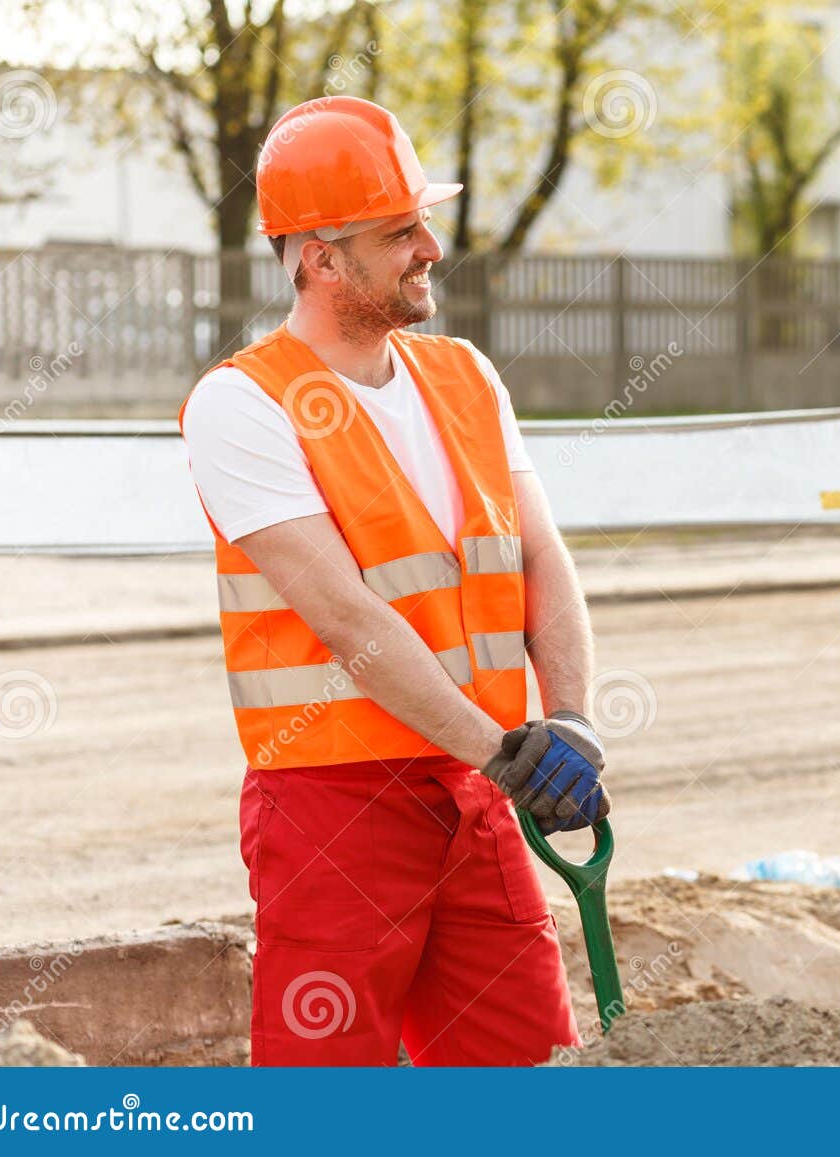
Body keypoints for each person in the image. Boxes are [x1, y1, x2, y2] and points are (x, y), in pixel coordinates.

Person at [180, 95, 609, 1065]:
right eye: (399, 230)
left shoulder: (464, 377)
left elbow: (542, 556)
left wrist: (569, 719)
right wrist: (509, 754)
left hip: (475, 783)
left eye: (422, 221)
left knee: (528, 1071)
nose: (430, 246)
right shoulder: (243, 404)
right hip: (336, 807)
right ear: (320, 258)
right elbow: (348, 621)